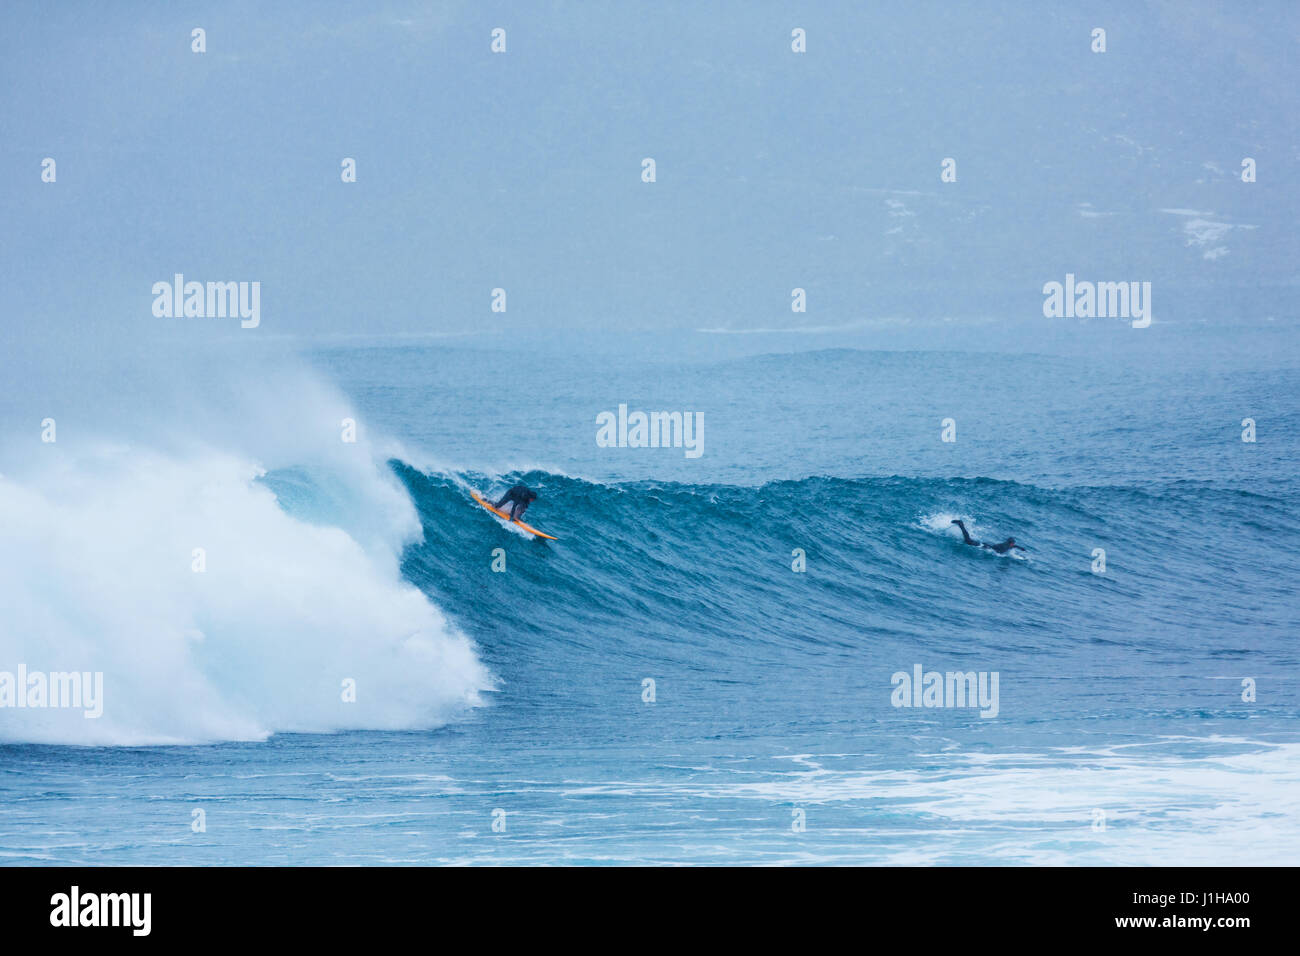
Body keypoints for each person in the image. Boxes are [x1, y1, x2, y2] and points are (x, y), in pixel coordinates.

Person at [951, 519, 1025, 555]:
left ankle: (961, 525)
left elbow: (1015, 546)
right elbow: (994, 548)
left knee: (967, 541)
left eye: (1013, 543)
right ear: (1010, 543)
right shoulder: (1004, 546)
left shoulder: (1009, 545)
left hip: (986, 545)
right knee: (968, 541)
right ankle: (961, 524)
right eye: (1012, 543)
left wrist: (1021, 548)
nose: (1013, 544)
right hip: (984, 545)